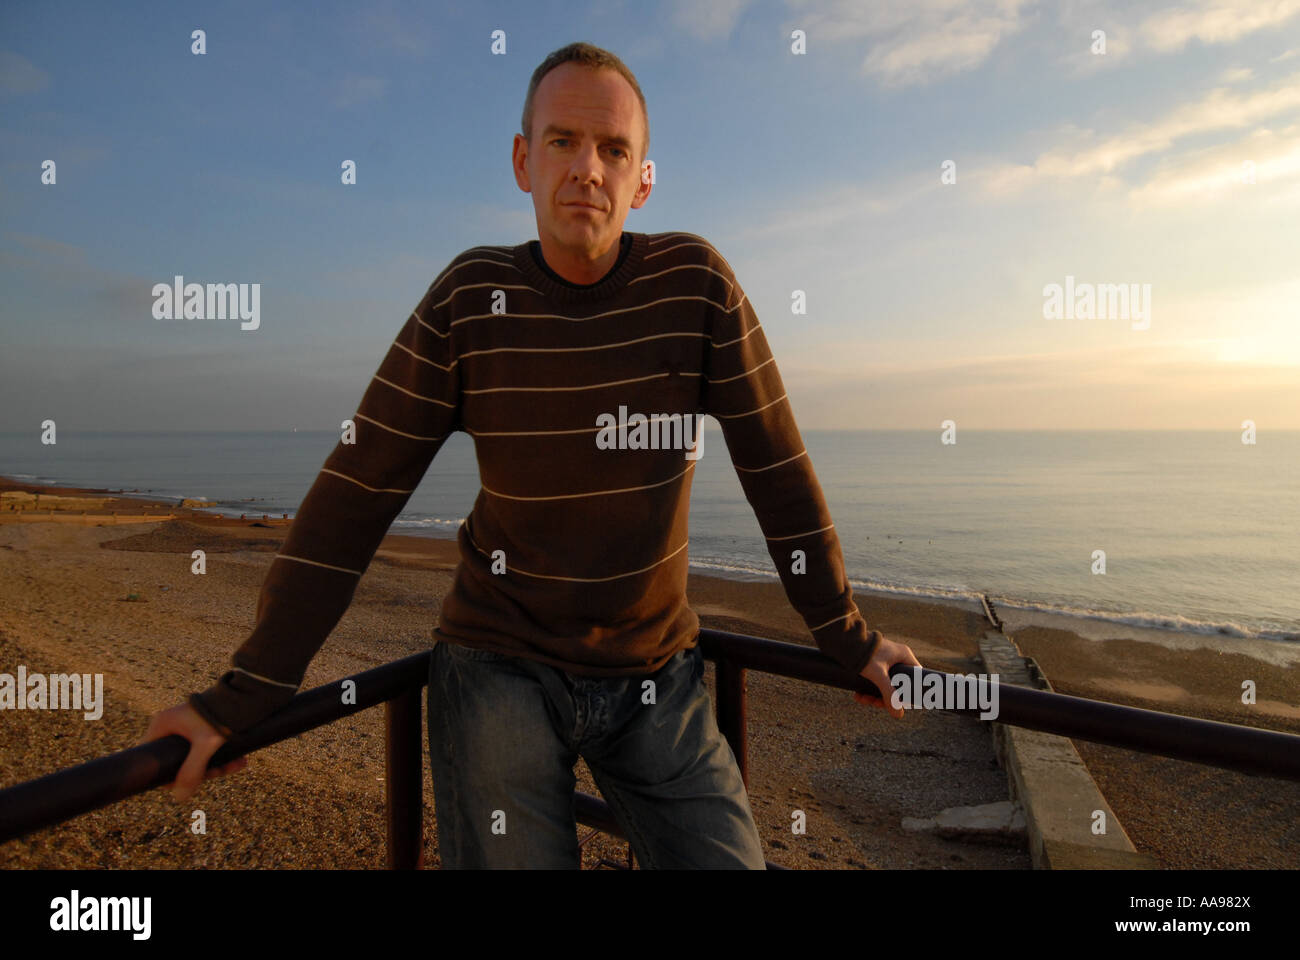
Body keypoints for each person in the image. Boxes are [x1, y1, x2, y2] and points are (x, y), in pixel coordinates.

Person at [142, 41, 921, 869]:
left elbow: (777, 469)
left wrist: (849, 637)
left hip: (657, 672)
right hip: (498, 665)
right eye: (562, 142)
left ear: (642, 179)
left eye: (613, 149)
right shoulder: (470, 299)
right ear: (523, 160)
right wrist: (248, 691)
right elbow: (358, 489)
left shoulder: (698, 286)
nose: (587, 168)